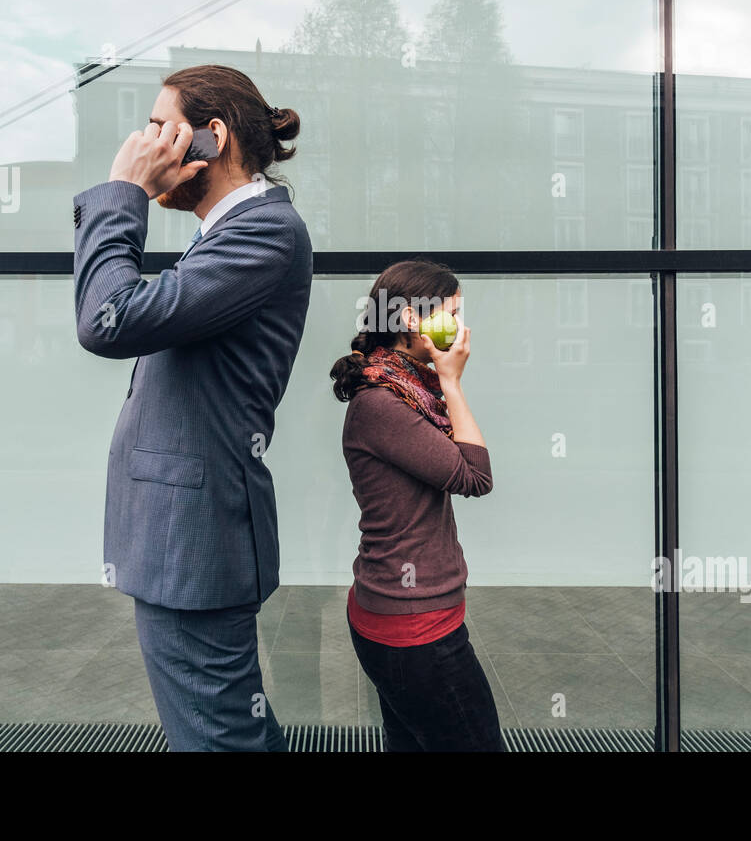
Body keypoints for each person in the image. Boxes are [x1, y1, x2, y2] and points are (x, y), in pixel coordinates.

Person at [73, 64, 311, 751]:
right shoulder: (226, 234)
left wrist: (125, 192)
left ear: (213, 136)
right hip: (181, 542)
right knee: (224, 733)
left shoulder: (265, 232)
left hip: (195, 546)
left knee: (219, 740)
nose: (146, 142)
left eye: (159, 127)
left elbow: (109, 318)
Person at [329, 260, 505, 751]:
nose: (461, 327)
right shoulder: (382, 404)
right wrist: (452, 381)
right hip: (413, 626)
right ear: (410, 321)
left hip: (408, 614)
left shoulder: (406, 390)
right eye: (451, 314)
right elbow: (475, 475)